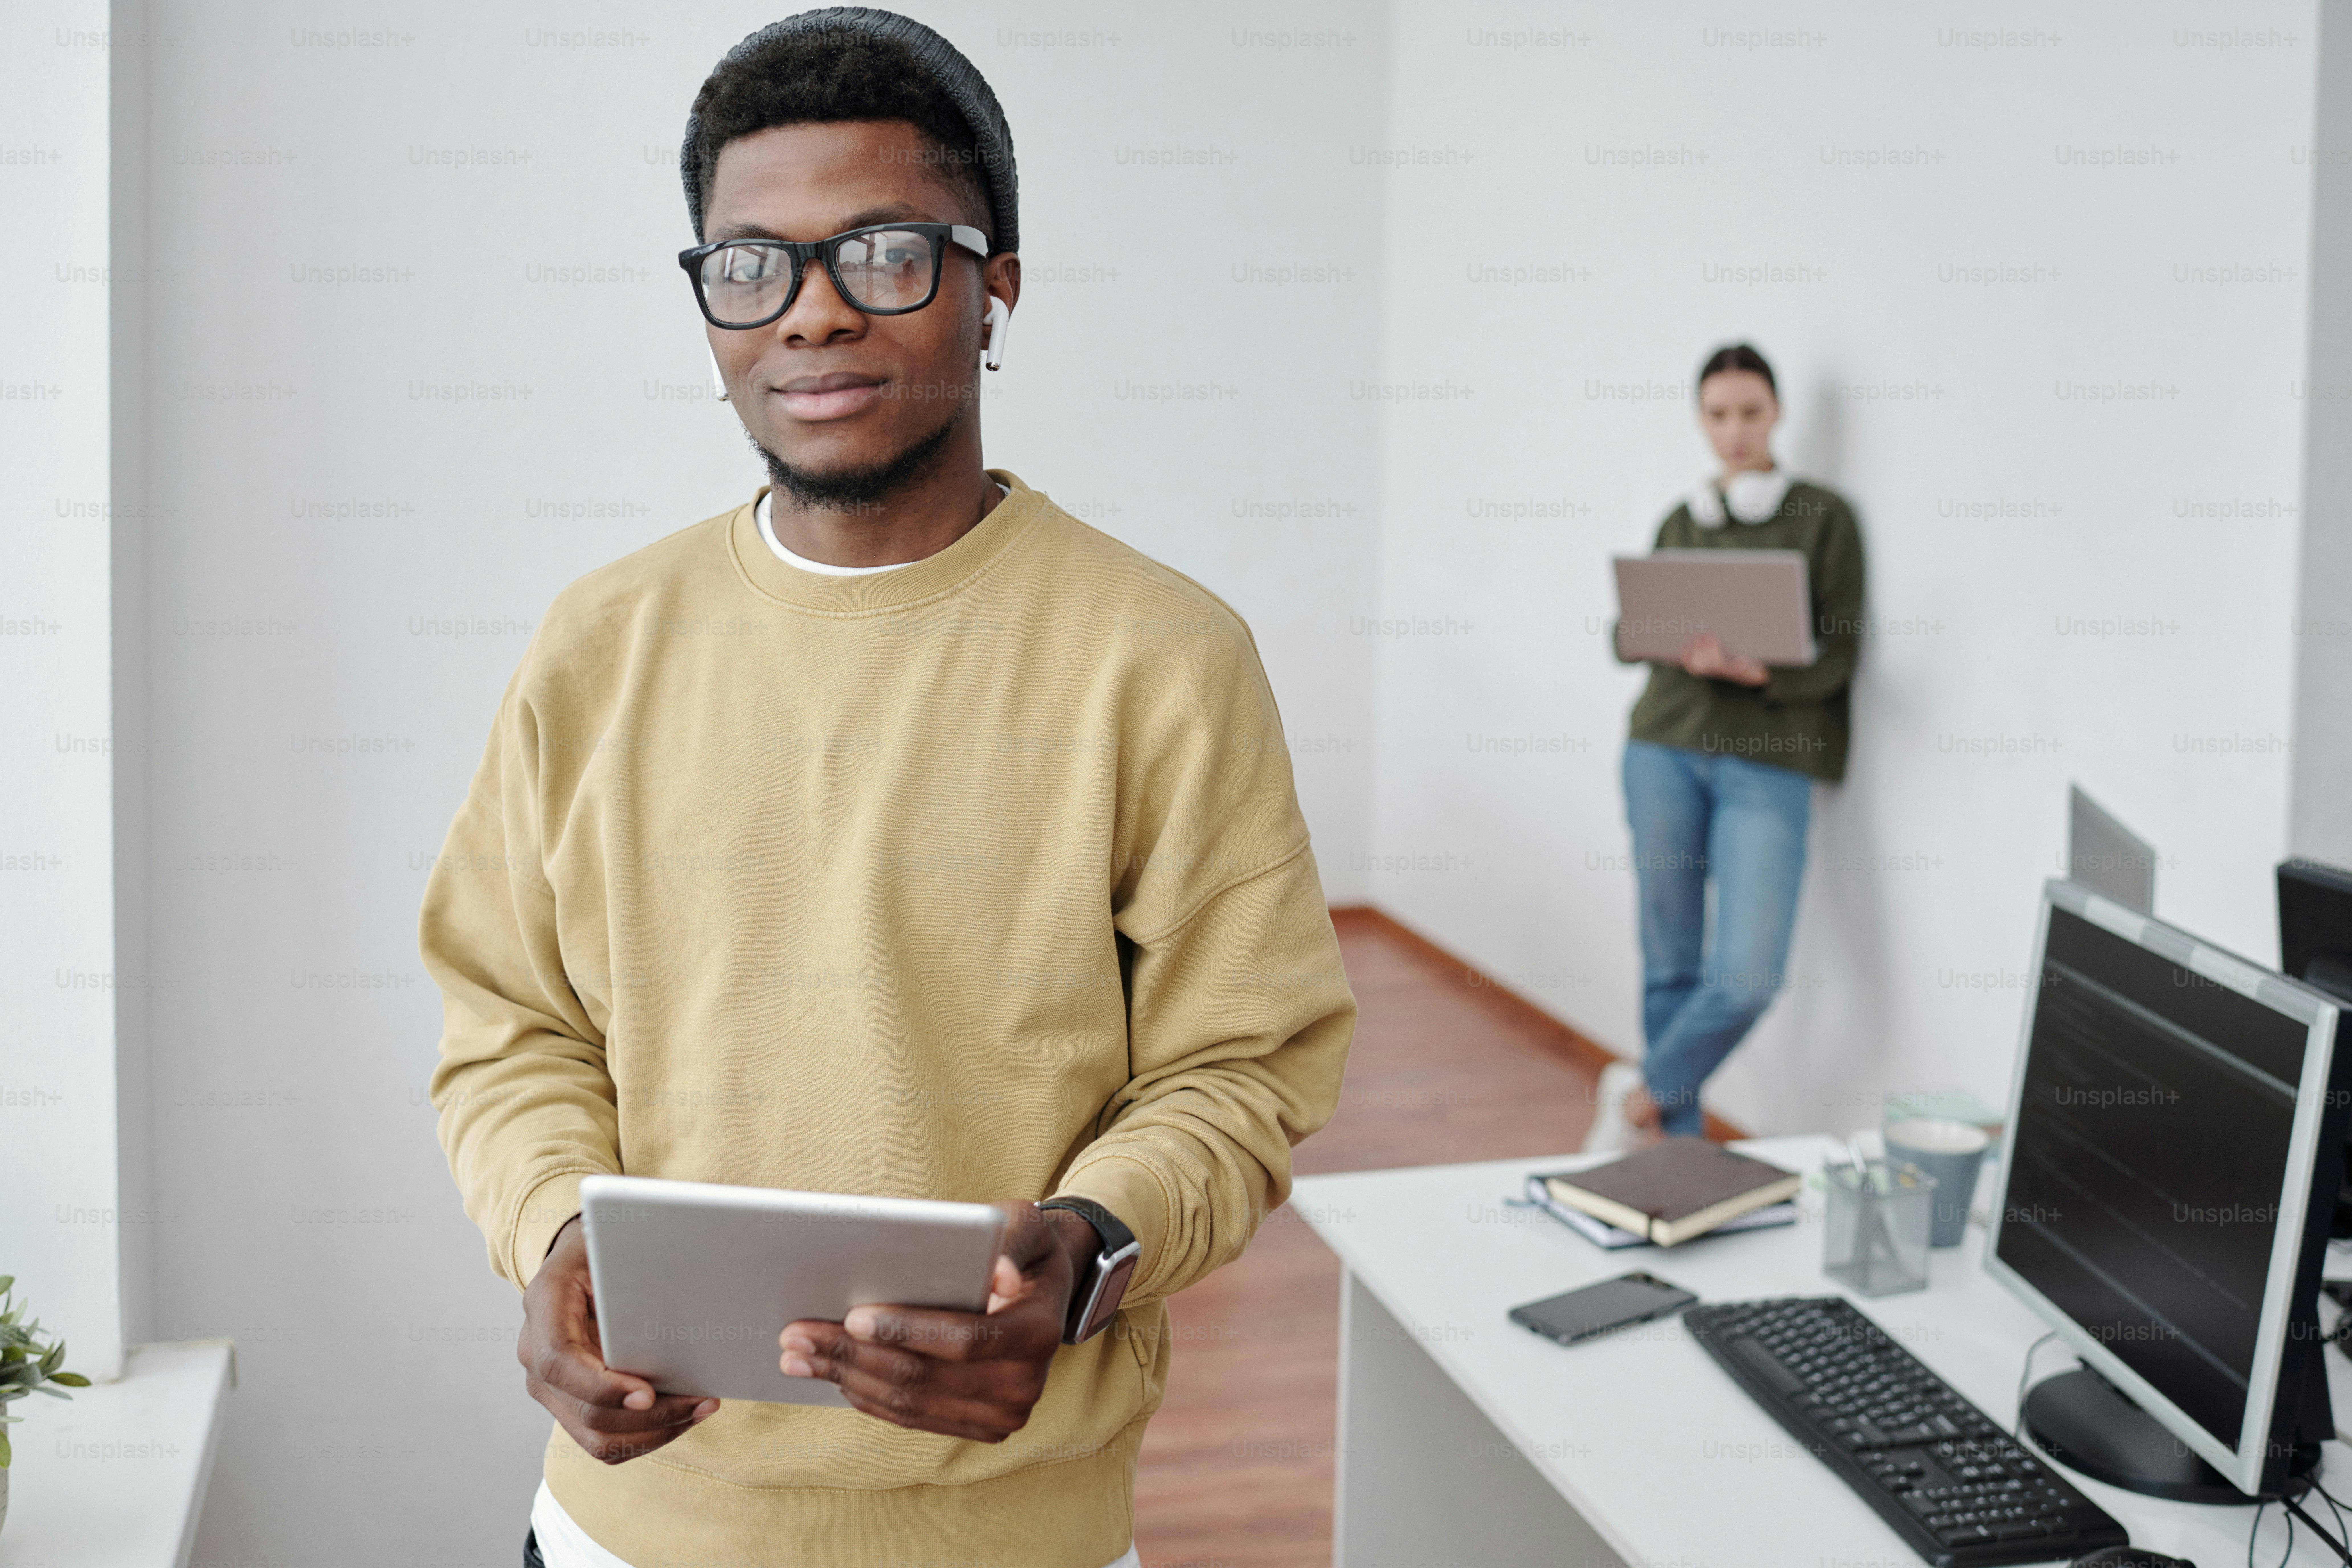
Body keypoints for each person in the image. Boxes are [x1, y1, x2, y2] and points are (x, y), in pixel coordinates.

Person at [418, 14, 1357, 1568]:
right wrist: (559, 1241)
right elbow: (509, 1025)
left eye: (883, 254)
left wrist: (1093, 1261)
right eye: (752, 265)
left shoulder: (1165, 658)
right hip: (627, 1532)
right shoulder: (596, 644)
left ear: (995, 282)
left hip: (1018, 1535)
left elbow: (1240, 1069)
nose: (811, 317)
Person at [1585, 343, 1863, 1150]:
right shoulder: (1685, 519)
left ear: (1777, 415)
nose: (1734, 431)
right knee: (1668, 962)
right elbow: (1626, 635)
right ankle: (1668, 1155)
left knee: (1744, 977)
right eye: (1717, 415)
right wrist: (1673, 640)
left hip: (1765, 763)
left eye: (1750, 412)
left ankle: (1637, 1102)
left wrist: (1761, 671)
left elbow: (1842, 654)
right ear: (1701, 420)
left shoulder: (1825, 519)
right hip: (1663, 749)